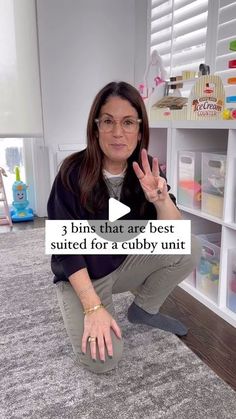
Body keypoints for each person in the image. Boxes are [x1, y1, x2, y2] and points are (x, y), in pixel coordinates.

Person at [47, 81, 201, 374]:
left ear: (140, 130)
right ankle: (81, 305)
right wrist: (93, 308)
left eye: (128, 122)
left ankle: (143, 310)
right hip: (81, 273)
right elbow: (65, 248)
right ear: (96, 128)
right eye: (108, 121)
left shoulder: (147, 168)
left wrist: (159, 200)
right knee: (103, 361)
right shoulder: (72, 171)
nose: (118, 132)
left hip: (122, 261)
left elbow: (174, 235)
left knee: (190, 246)